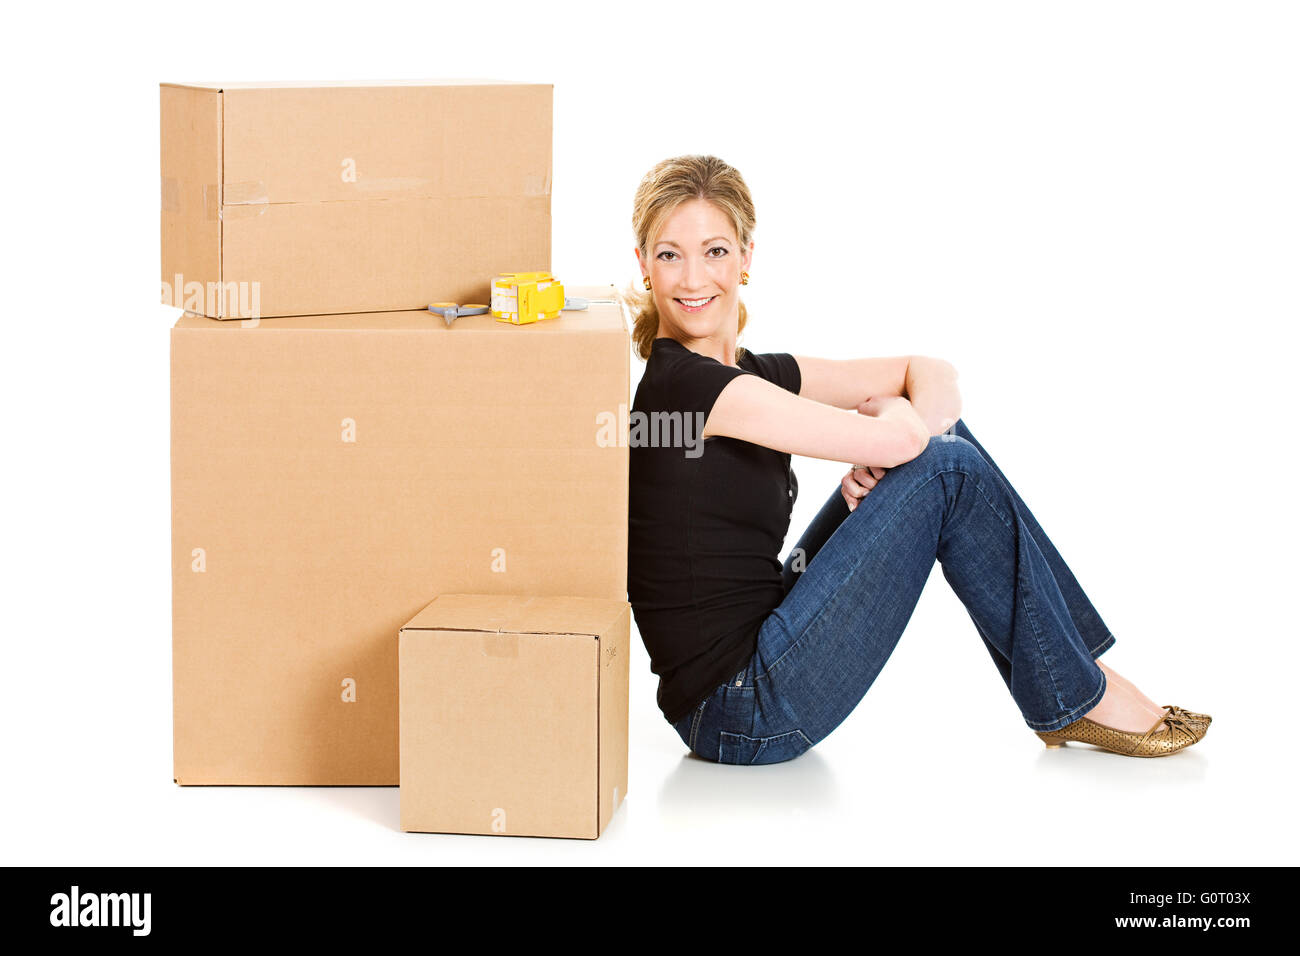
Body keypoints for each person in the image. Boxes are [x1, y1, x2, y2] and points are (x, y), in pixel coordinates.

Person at [622, 154, 1211, 764]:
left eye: (714, 251)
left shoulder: (749, 372)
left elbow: (929, 372)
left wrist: (896, 449)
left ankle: (1077, 678)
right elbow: (907, 440)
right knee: (948, 468)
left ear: (747, 257)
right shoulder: (688, 389)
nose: (693, 279)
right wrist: (894, 437)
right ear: (643, 265)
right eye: (670, 254)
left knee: (946, 447)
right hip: (740, 709)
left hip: (761, 648)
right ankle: (1077, 690)